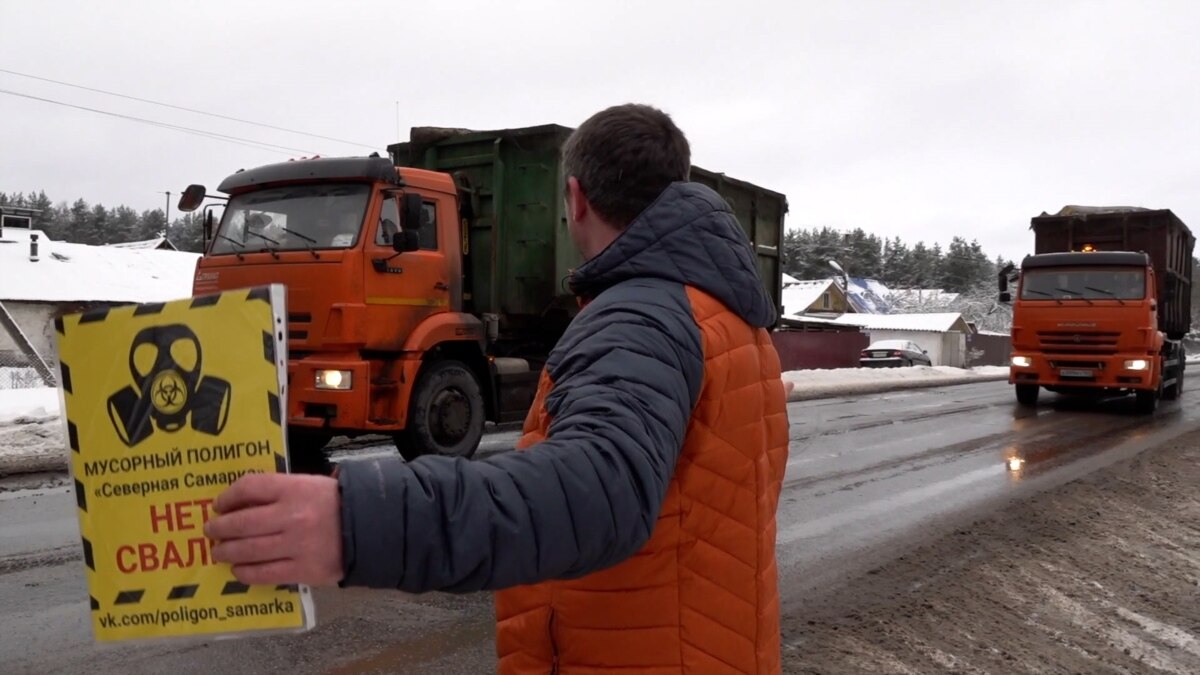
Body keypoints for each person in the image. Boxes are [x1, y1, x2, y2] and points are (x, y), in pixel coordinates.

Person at [204, 103, 790, 674]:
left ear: (577, 199)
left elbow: (600, 489)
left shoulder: (639, 319)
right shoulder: (722, 313)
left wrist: (359, 521)